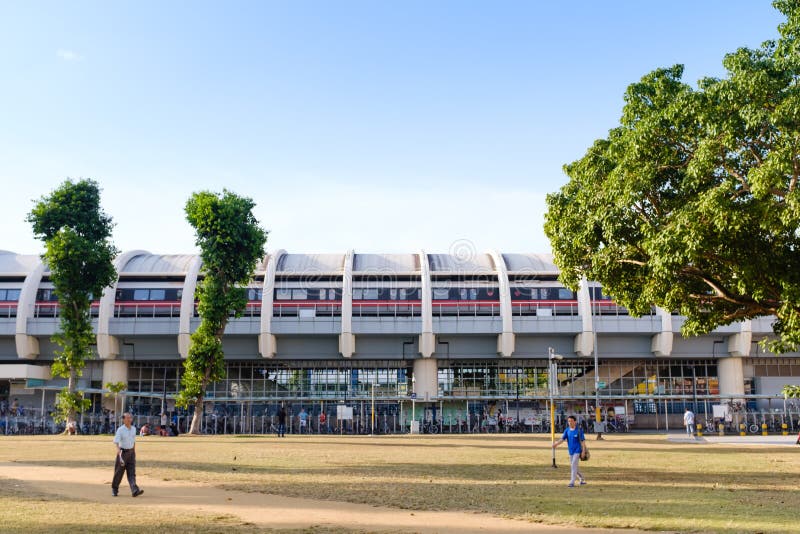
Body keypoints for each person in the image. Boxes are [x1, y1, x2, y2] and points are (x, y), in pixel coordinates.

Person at [112, 412, 144, 497]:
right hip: (122, 453)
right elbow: (116, 442)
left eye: (130, 418)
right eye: (127, 418)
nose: (130, 419)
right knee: (119, 473)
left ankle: (134, 490)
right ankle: (114, 489)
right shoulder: (120, 430)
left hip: (131, 453)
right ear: (123, 419)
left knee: (132, 472)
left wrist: (134, 451)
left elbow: (133, 441)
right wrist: (118, 451)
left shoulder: (133, 429)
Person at [552, 415, 587, 487]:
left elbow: (583, 442)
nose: (570, 423)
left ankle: (572, 482)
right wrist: (556, 444)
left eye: (571, 421)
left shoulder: (579, 430)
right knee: (574, 466)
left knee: (573, 465)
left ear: (575, 422)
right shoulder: (567, 430)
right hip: (571, 451)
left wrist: (583, 451)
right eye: (568, 421)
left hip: (578, 450)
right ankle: (582, 478)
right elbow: (562, 439)